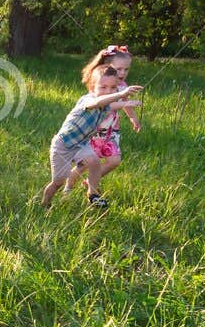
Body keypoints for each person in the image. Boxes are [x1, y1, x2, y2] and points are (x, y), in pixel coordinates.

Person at [39, 48, 144, 209]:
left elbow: (114, 105)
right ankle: (45, 203)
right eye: (103, 87)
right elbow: (99, 103)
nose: (107, 91)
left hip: (81, 144)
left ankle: (92, 193)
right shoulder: (87, 100)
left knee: (94, 162)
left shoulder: (107, 105)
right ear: (92, 87)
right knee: (58, 182)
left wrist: (128, 103)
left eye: (112, 88)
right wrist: (120, 94)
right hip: (63, 145)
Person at [65, 44, 141, 194]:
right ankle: (68, 187)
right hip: (94, 131)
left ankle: (90, 182)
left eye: (126, 69)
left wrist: (133, 118)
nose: (123, 73)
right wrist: (124, 101)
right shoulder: (101, 86)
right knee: (83, 165)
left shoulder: (123, 86)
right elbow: (107, 105)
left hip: (111, 131)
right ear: (107, 66)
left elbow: (125, 104)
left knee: (115, 161)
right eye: (119, 69)